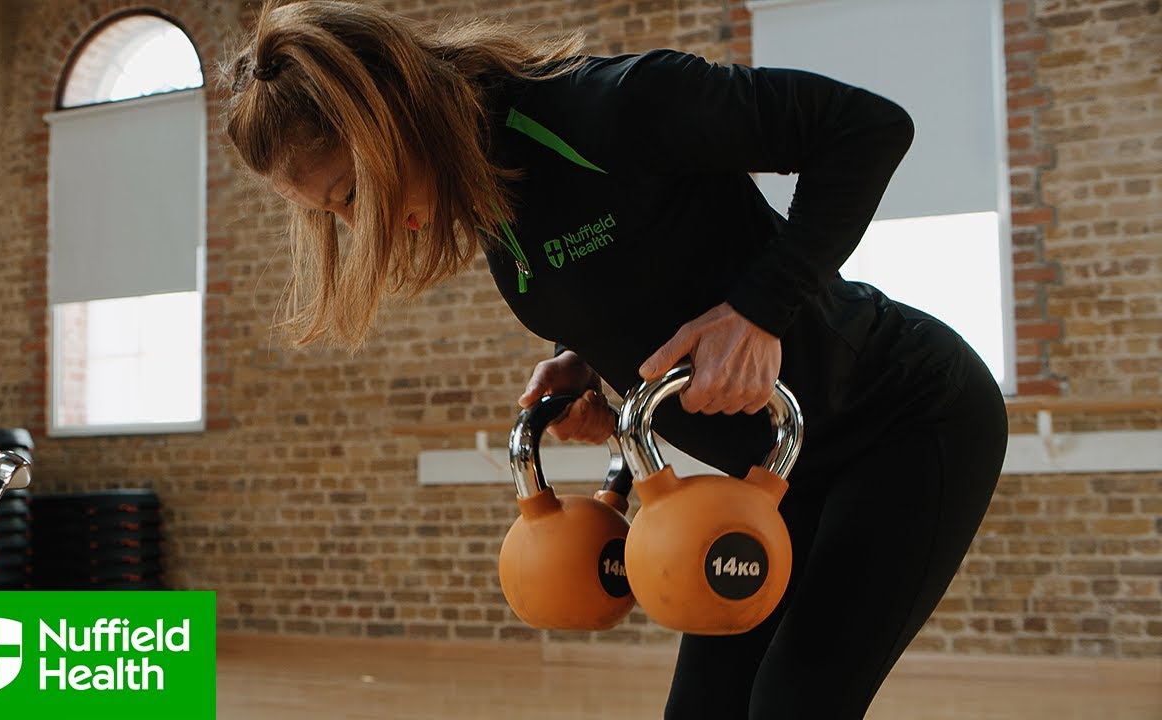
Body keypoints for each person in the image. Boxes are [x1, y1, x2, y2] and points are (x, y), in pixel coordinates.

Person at [224, 2, 1010, 718]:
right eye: (331, 210)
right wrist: (582, 360)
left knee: (794, 704)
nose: (357, 225)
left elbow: (868, 127)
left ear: (390, 117)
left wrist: (758, 312)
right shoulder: (490, 187)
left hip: (907, 421)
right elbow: (628, 267)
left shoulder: (613, 105)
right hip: (777, 471)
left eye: (350, 193)